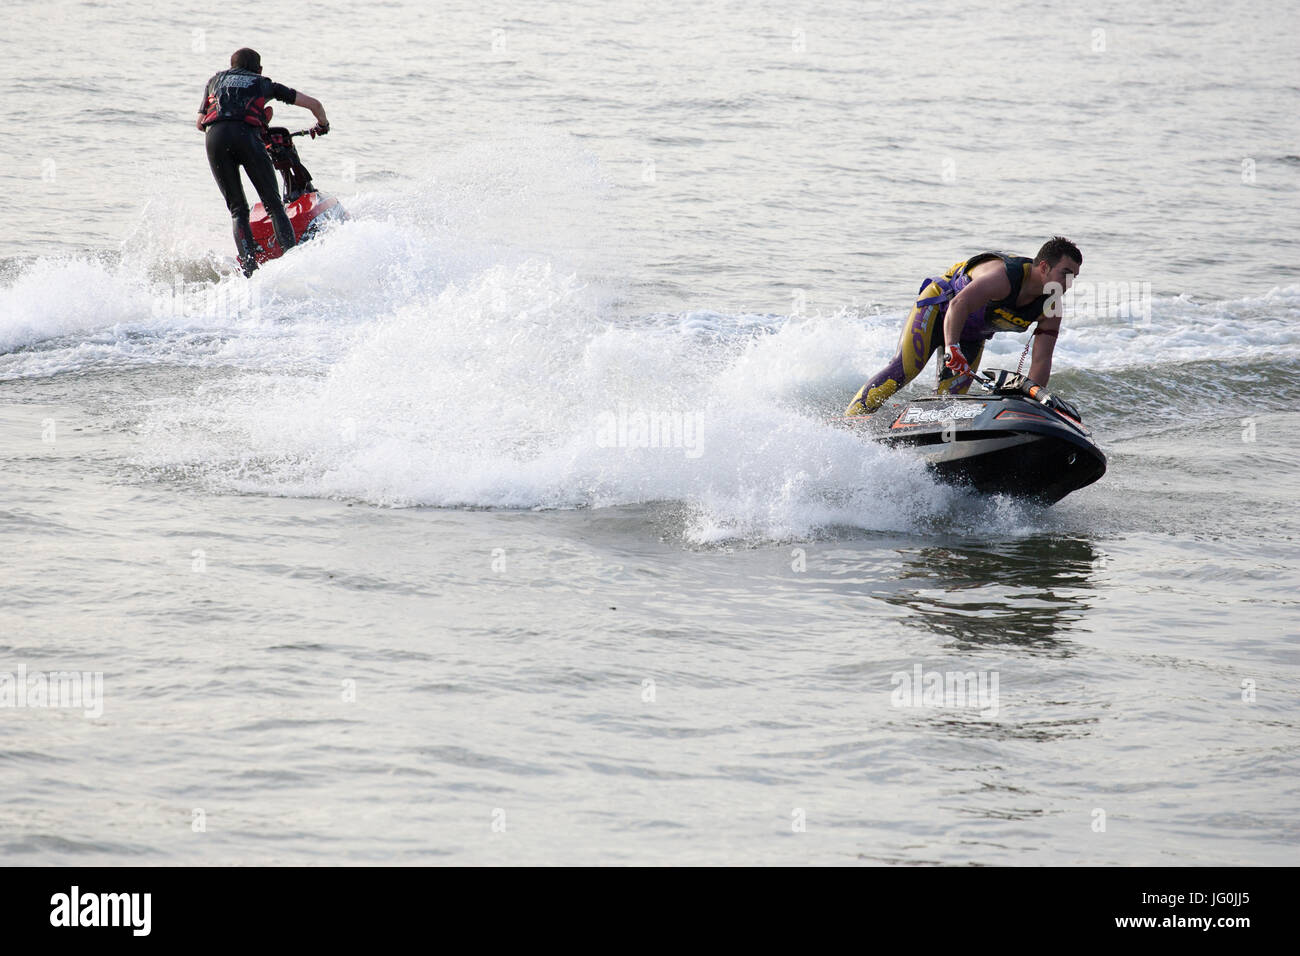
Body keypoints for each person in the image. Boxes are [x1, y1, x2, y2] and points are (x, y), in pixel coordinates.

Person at [844, 237, 1082, 416]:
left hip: (972, 334)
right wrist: (952, 347)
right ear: (1043, 267)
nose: (1069, 283)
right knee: (905, 370)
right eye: (1065, 273)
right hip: (940, 309)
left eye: (1074, 277)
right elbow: (959, 304)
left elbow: (1041, 361)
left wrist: (1031, 403)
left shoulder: (1051, 308)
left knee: (951, 401)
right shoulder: (1003, 277)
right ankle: (850, 421)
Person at [196, 48, 330, 276]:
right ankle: (293, 264)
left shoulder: (214, 81)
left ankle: (249, 270)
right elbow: (314, 104)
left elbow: (200, 123)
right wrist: (322, 124)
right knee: (274, 205)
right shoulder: (264, 83)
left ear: (231, 66)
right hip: (246, 137)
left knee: (238, 210)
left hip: (215, 140)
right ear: (259, 69)